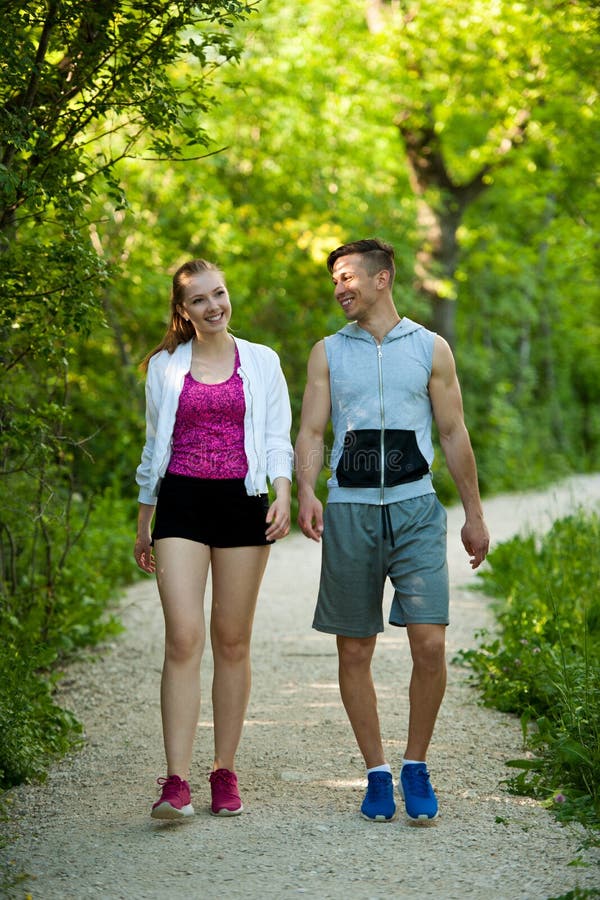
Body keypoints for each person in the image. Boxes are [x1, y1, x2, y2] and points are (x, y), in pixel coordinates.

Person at [295, 238, 489, 824]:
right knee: (354, 648)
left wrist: (474, 515)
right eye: (334, 279)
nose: (339, 288)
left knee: (429, 643)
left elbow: (453, 434)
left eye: (348, 276)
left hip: (416, 509)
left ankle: (416, 764)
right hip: (350, 511)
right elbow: (310, 432)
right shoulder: (327, 352)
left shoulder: (431, 348)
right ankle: (377, 773)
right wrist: (306, 488)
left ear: (383, 279)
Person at [134, 258, 293, 820]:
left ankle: (224, 772)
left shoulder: (262, 361)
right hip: (181, 500)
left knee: (231, 641)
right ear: (183, 310)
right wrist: (143, 518)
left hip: (244, 503)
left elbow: (277, 436)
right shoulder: (165, 366)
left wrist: (282, 492)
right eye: (199, 299)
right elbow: (155, 446)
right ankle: (175, 781)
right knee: (183, 637)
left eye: (219, 293)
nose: (213, 306)